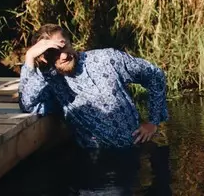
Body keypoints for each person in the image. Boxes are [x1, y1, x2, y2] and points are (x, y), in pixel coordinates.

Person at [18, 23, 169, 148]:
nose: (63, 56)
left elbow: (155, 75)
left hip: (134, 149)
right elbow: (28, 105)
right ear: (44, 58)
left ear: (70, 43)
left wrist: (153, 122)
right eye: (54, 53)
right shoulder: (50, 81)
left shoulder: (107, 59)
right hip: (95, 160)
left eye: (64, 47)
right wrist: (30, 57)